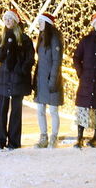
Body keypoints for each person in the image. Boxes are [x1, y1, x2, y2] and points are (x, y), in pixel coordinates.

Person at [0, 8, 35, 149]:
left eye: (10, 19)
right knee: (1, 111)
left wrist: (22, 70)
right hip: (4, 79)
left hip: (18, 79)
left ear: (15, 21)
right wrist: (6, 47)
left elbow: (30, 58)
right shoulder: (2, 37)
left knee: (16, 111)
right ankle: (0, 141)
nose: (7, 21)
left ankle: (14, 141)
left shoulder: (24, 39)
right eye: (5, 19)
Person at [72, 12, 96, 148]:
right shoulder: (86, 40)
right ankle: (79, 137)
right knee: (83, 109)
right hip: (87, 81)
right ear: (93, 25)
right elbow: (76, 57)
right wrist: (81, 72)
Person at [33, 12, 64, 148]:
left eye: (41, 22)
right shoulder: (41, 37)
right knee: (40, 109)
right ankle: (43, 136)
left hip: (51, 79)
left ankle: (54, 136)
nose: (39, 24)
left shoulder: (55, 38)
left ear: (47, 23)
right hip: (41, 79)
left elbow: (57, 61)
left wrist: (53, 80)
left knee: (53, 110)